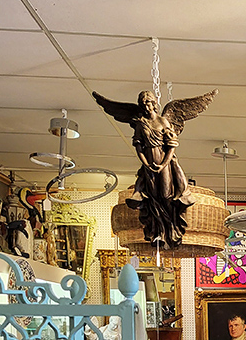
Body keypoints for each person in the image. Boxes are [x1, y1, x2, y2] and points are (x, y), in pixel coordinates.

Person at [92, 87, 217, 250]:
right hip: (149, 163)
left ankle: (171, 227)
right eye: (143, 104)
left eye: (148, 103)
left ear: (154, 103)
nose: (146, 106)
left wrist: (163, 164)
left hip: (163, 161)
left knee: (166, 195)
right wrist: (146, 164)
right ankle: (157, 230)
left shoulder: (164, 121)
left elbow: (172, 145)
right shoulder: (140, 123)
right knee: (151, 197)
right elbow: (138, 146)